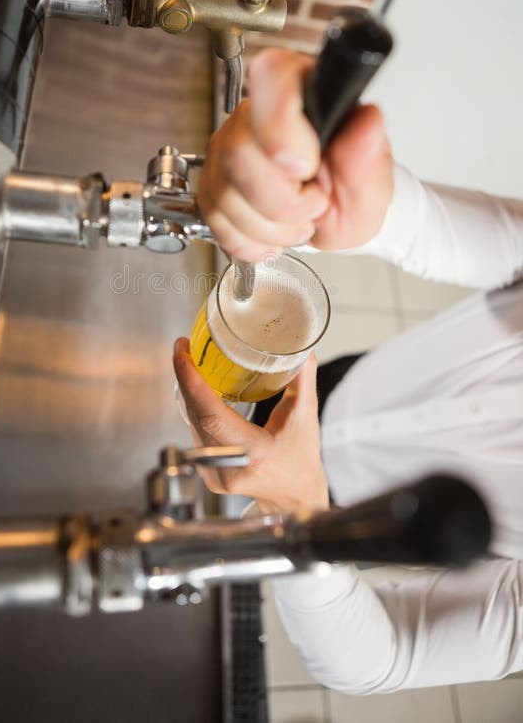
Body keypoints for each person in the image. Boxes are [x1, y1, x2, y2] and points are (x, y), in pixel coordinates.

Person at [173, 48, 523, 693]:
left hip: (352, 516)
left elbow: (385, 659)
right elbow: (417, 224)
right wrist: (312, 204)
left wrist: (299, 512)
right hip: (340, 383)